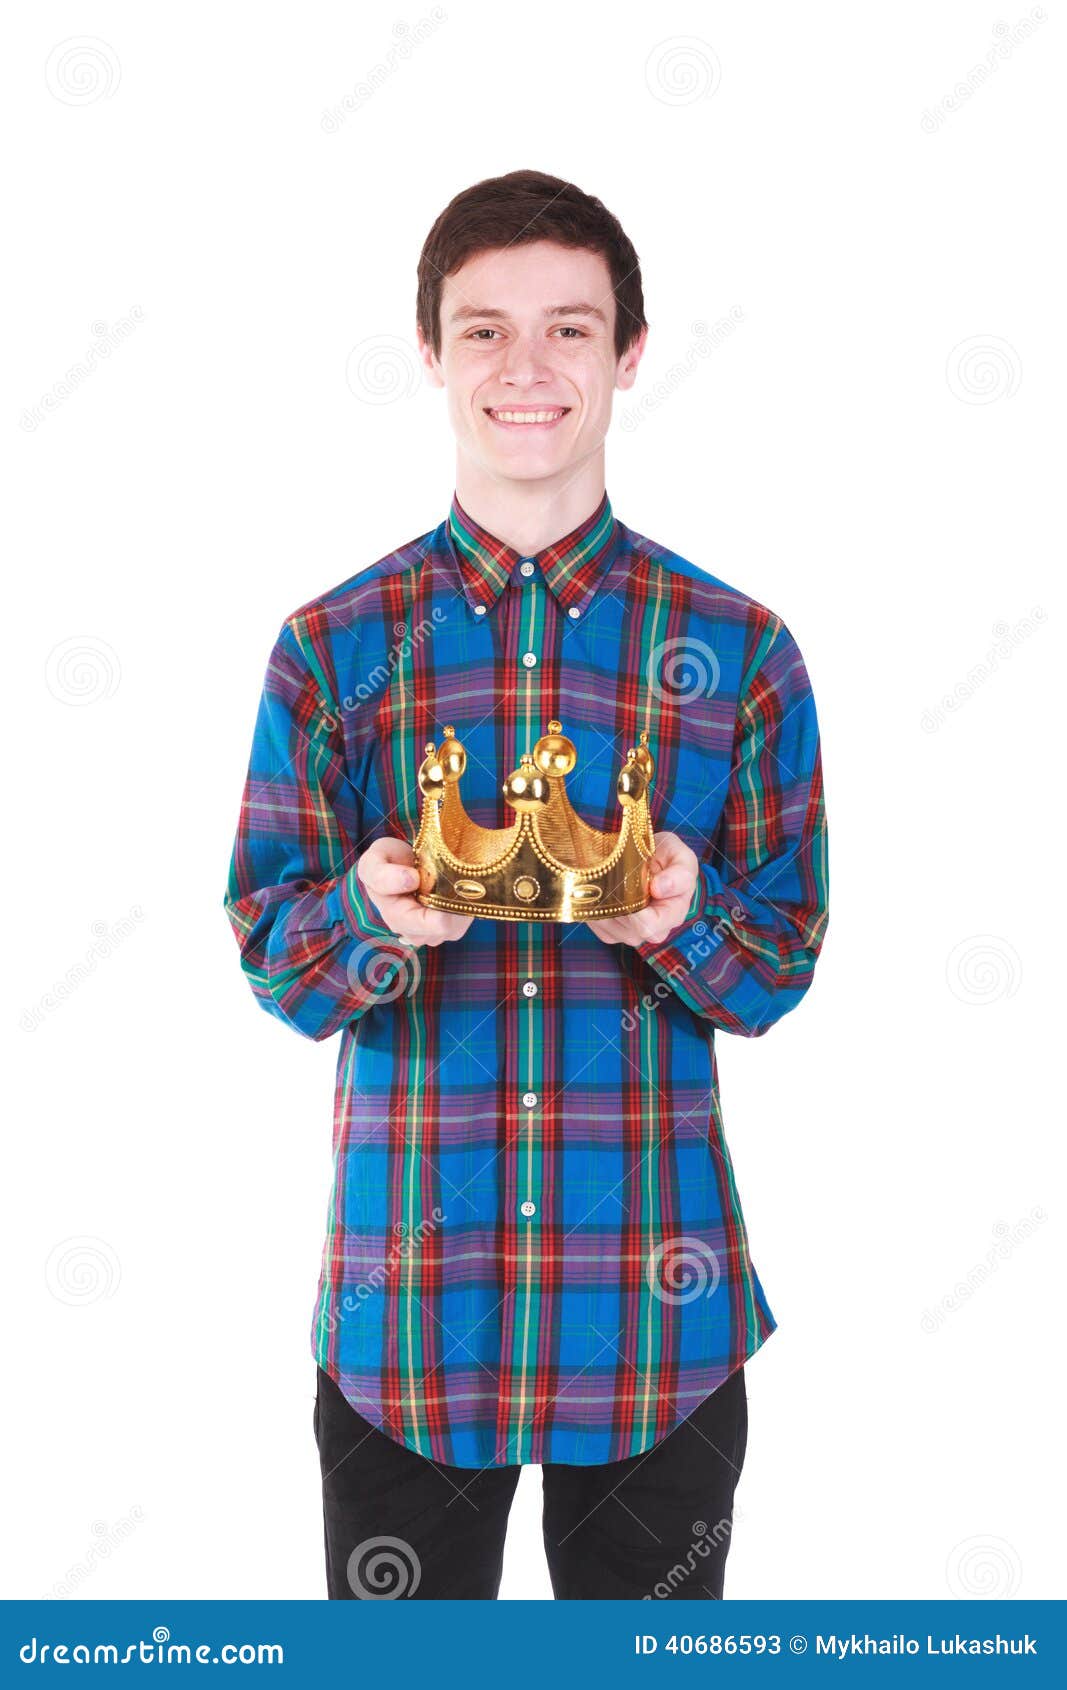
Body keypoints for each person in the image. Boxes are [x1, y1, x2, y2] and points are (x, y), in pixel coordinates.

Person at [223, 168, 829, 1600]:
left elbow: (787, 955)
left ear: (626, 355)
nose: (527, 368)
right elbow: (273, 956)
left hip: (656, 1324)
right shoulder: (333, 647)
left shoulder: (737, 651)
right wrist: (369, 918)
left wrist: (689, 919)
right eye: (484, 330)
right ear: (430, 355)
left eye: (569, 328)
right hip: (410, 1324)